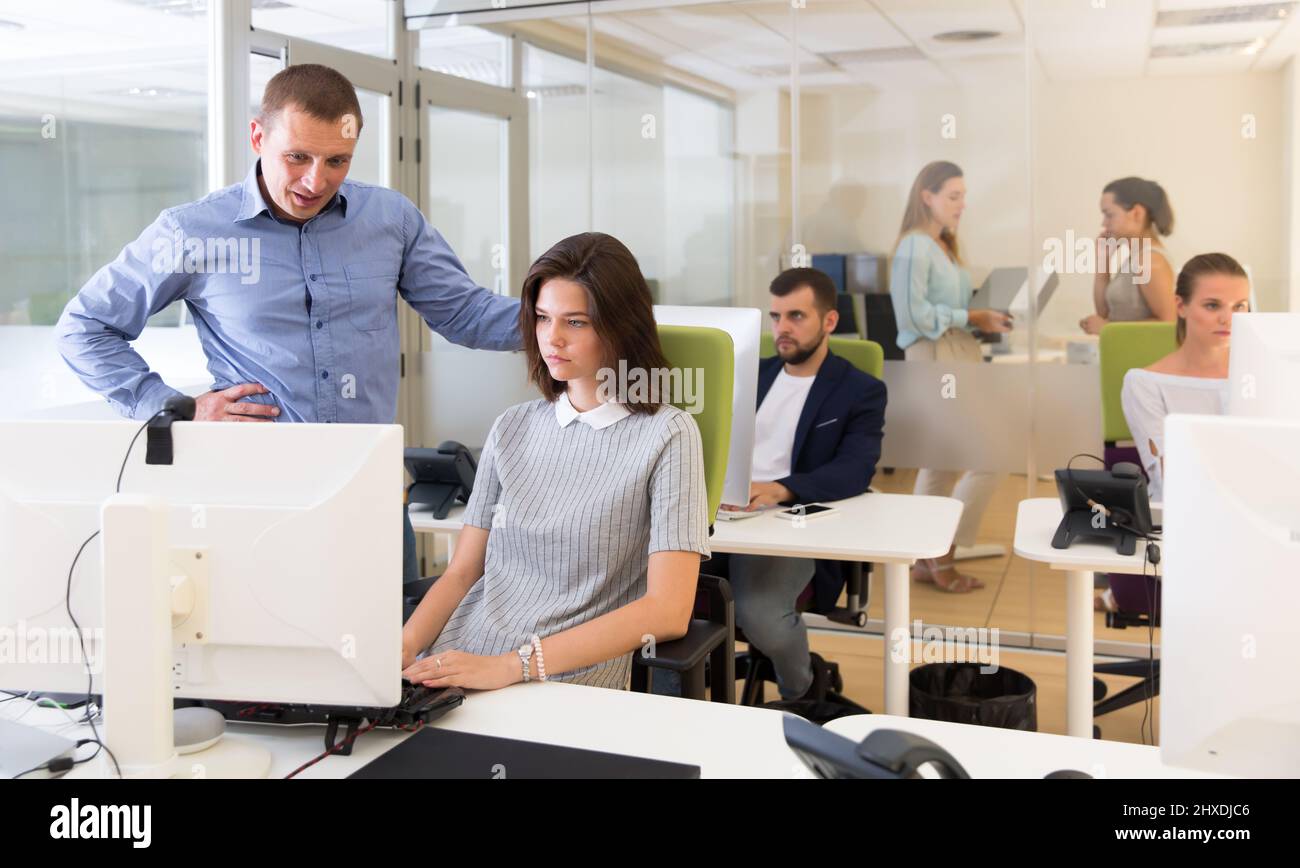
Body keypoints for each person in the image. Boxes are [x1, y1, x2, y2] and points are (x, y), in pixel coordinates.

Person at [53, 64, 520, 585]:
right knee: (263, 660)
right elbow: (84, 326)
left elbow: (465, 314)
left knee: (393, 657)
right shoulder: (194, 230)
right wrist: (174, 408)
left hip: (371, 499)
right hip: (254, 501)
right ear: (258, 136)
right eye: (297, 156)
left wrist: (581, 319)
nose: (315, 180)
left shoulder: (390, 220)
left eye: (336, 160)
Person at [400, 232, 710, 690]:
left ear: (621, 326)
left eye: (576, 322)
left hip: (562, 673)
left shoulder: (667, 434)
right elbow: (463, 571)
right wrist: (401, 649)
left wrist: (511, 666)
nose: (552, 338)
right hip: (460, 654)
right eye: (542, 318)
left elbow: (668, 611)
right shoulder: (512, 426)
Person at [717, 267, 886, 702]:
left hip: (789, 518)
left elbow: (856, 469)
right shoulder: (749, 374)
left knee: (762, 616)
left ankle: (804, 693)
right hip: (723, 513)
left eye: (796, 316)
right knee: (654, 591)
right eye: (775, 317)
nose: (782, 329)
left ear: (829, 321)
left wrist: (778, 489)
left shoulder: (860, 390)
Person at [890, 160, 1011, 593]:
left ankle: (929, 557)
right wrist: (970, 313)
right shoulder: (914, 247)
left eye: (964, 196)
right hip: (934, 356)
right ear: (928, 196)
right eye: (953, 196)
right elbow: (912, 316)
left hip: (959, 349)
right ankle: (940, 552)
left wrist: (982, 320)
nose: (962, 205)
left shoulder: (944, 245)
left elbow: (944, 312)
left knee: (941, 463)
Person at [1080, 177, 1176, 335]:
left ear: (1137, 213)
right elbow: (1104, 314)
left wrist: (1107, 329)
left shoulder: (1150, 261)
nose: (1104, 223)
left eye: (1109, 215)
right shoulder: (1135, 258)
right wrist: (1103, 260)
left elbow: (1168, 324)